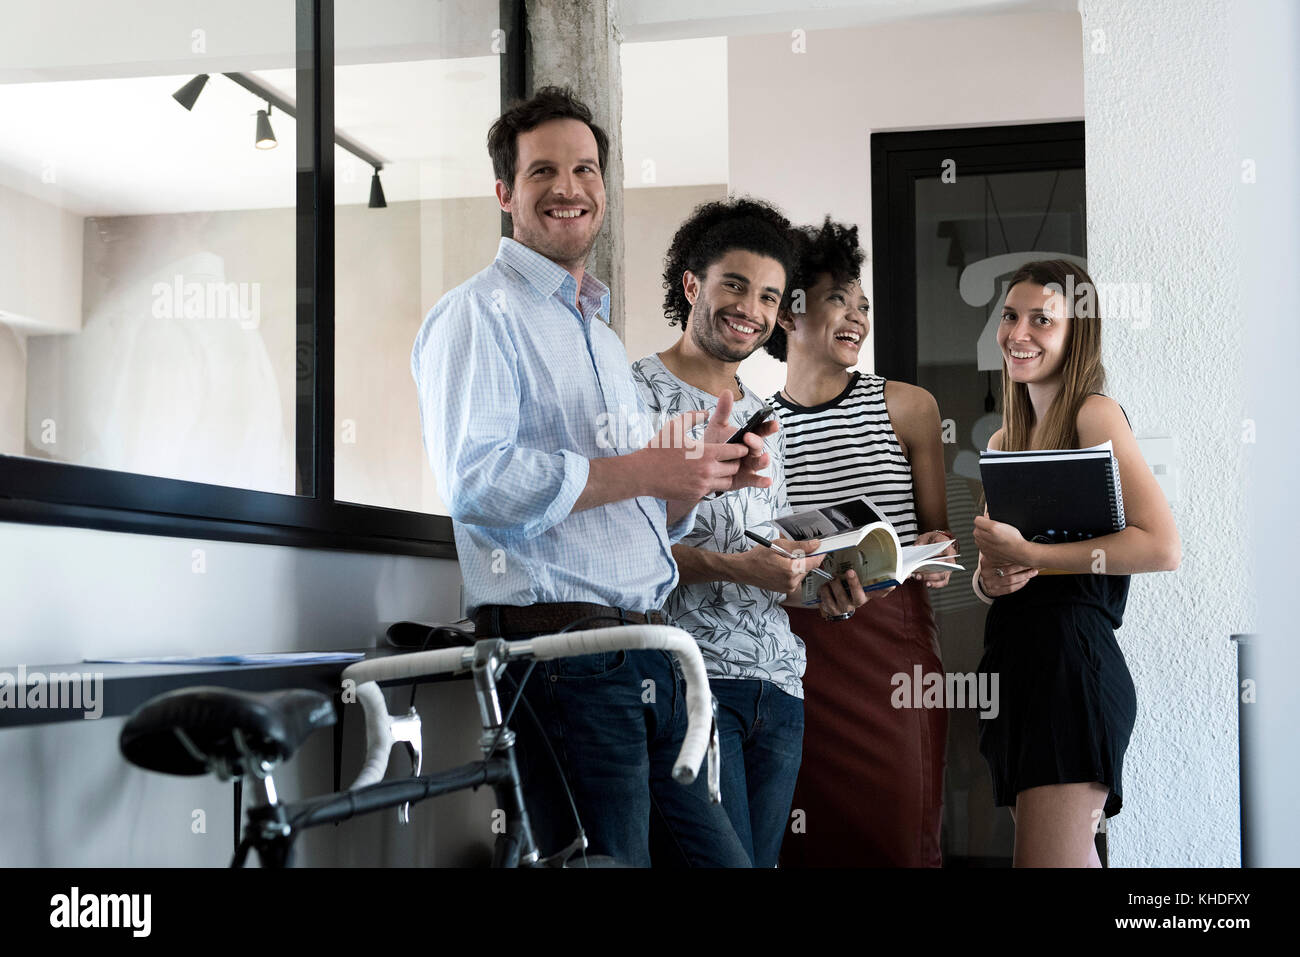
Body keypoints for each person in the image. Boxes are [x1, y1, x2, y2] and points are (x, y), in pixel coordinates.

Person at [410, 87, 774, 867]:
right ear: (505, 192)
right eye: (544, 171)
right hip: (562, 662)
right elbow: (477, 482)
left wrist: (691, 485)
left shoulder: (601, 337)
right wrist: (642, 466)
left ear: (604, 187)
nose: (569, 188)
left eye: (586, 169)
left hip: (645, 655)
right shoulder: (478, 315)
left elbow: (624, 505)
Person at [631, 197, 850, 867]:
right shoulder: (631, 394)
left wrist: (816, 582)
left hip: (778, 688)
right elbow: (628, 557)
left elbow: (765, 553)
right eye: (734, 284)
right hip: (686, 681)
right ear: (692, 283)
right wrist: (738, 569)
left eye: (768, 296)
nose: (750, 307)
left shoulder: (767, 416)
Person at [971, 259, 1180, 868]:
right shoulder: (1003, 441)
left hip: (1070, 668)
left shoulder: (1094, 414)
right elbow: (993, 574)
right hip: (1013, 666)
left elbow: (1161, 546)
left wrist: (1033, 556)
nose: (1019, 333)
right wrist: (993, 577)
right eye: (1011, 316)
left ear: (1076, 334)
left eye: (1043, 320)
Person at [765, 217, 957, 867]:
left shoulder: (908, 406)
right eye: (837, 299)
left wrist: (934, 555)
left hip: (891, 653)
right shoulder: (755, 429)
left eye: (863, 304)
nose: (856, 316)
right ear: (789, 313)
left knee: (900, 840)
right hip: (798, 654)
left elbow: (937, 535)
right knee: (808, 846)